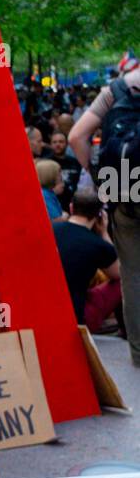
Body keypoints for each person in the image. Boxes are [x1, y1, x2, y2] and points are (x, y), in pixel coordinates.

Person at [69, 52, 140, 364]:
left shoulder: (117, 89)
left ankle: (138, 353)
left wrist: (101, 180)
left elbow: (76, 136)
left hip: (124, 190)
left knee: (133, 274)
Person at [52, 189, 122, 332]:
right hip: (77, 317)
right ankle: (125, 328)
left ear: (71, 207)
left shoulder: (50, 229)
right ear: (100, 215)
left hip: (46, 309)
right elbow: (120, 273)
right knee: (123, 282)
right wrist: (104, 233)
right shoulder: (98, 245)